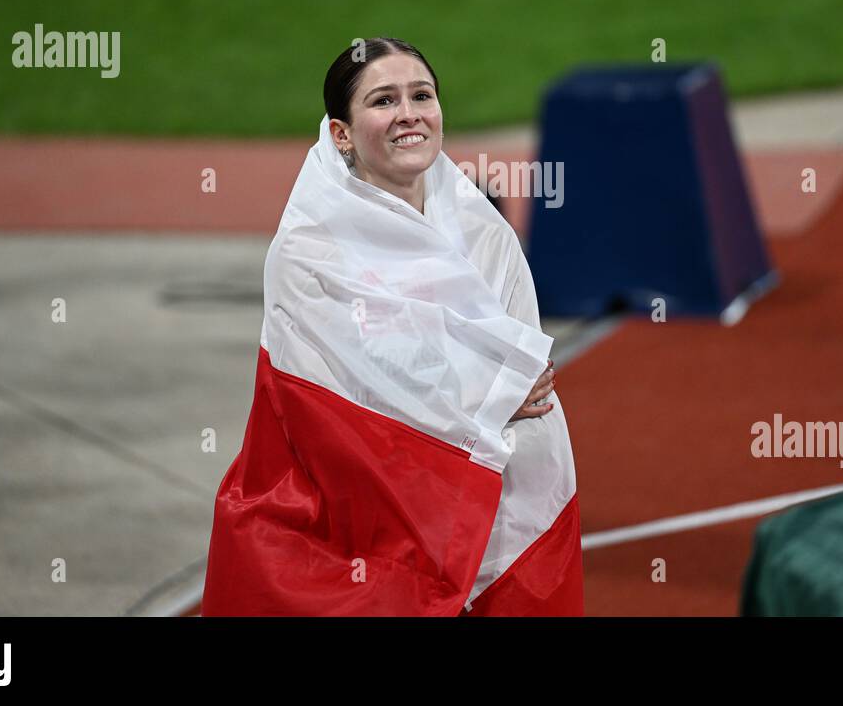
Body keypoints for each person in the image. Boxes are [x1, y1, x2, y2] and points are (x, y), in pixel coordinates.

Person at [201, 37, 584, 616]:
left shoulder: (485, 233)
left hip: (482, 496)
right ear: (341, 134)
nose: (409, 114)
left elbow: (523, 381)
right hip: (349, 520)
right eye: (383, 101)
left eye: (421, 96)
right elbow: (336, 398)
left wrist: (494, 381)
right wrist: (490, 385)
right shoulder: (308, 252)